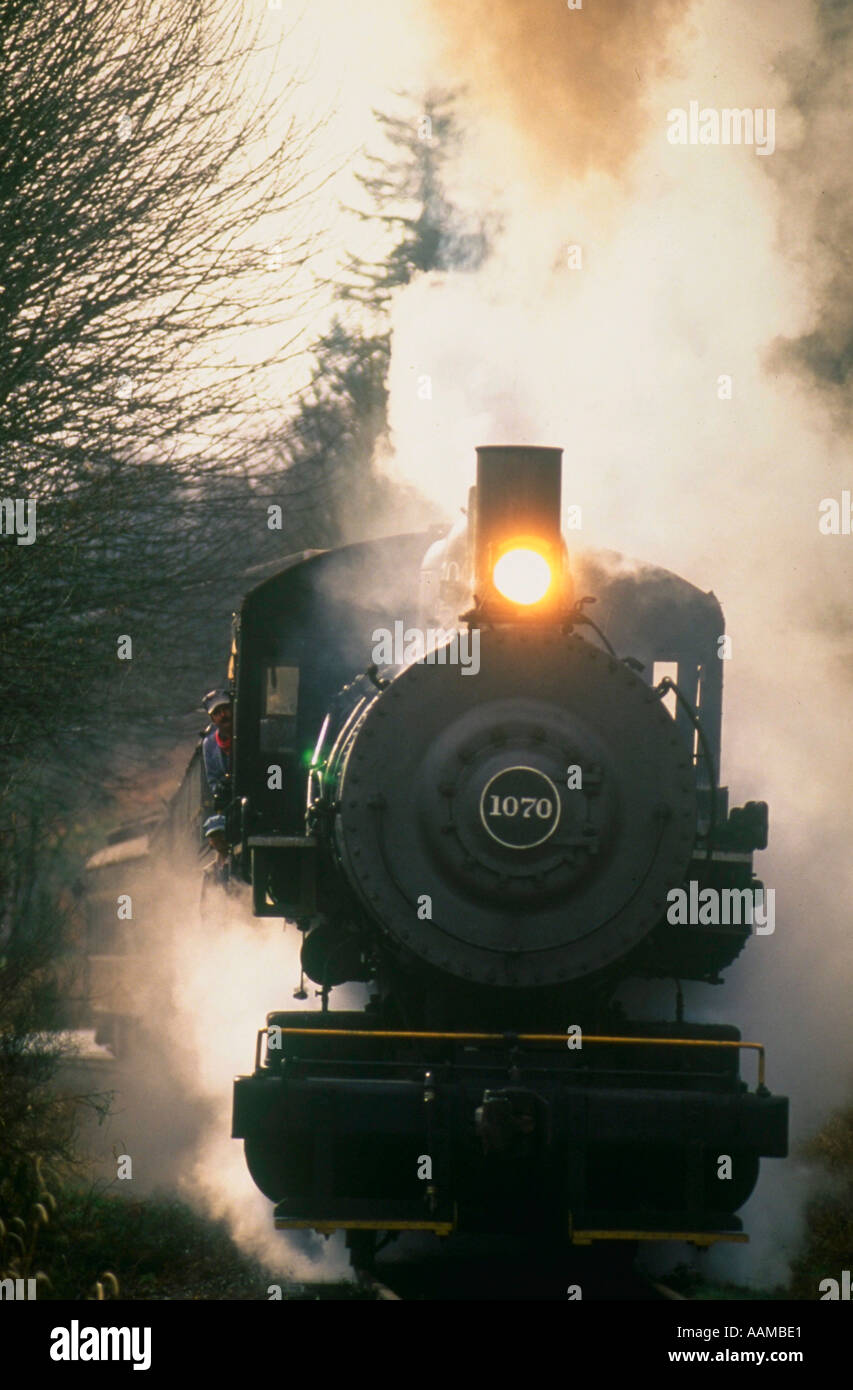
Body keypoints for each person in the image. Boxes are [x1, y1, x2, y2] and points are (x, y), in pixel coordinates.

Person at [201, 689, 232, 864]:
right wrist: (221, 788)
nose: (223, 715)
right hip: (228, 802)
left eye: (225, 709)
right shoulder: (209, 745)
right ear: (213, 719)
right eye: (217, 713)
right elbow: (212, 778)